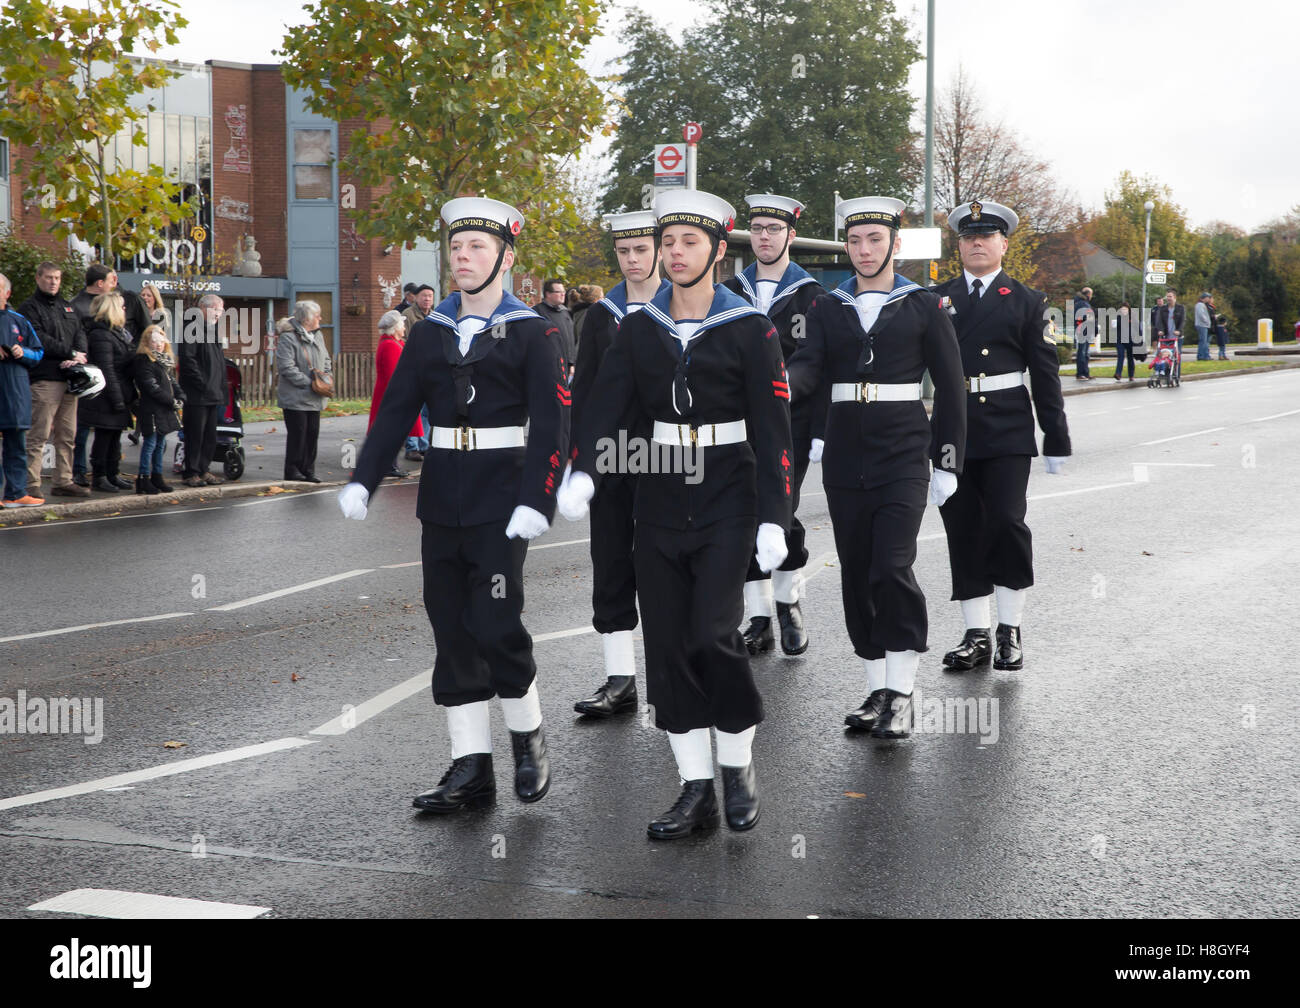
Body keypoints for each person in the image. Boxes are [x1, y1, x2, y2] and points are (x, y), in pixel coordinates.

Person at [559, 189, 793, 839]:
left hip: (728, 495)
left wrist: (776, 516)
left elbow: (775, 431)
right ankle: (695, 789)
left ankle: (738, 765)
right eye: (668, 242)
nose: (675, 253)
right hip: (658, 494)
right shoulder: (639, 327)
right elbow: (607, 406)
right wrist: (584, 470)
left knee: (712, 636)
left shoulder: (750, 328)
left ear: (719, 251)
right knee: (665, 647)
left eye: (689, 242)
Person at [338, 197, 568, 814]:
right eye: (457, 248)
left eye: (477, 249)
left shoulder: (532, 330)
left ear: (505, 259)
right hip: (442, 494)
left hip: (503, 498)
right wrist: (364, 477)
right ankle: (470, 767)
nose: (463, 259)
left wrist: (537, 500)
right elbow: (396, 407)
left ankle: (528, 737)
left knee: (495, 622)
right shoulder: (431, 331)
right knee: (449, 626)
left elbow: (552, 423)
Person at [786, 197, 965, 737]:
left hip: (903, 453)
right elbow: (808, 369)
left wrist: (947, 458)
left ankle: (903, 691)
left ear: (894, 244)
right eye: (856, 241)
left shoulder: (924, 306)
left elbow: (952, 386)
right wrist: (769, 388)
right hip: (845, 455)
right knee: (858, 574)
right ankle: (874, 689)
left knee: (891, 567)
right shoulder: (827, 307)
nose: (864, 250)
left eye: (875, 240)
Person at [932, 200, 1072, 674]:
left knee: (1007, 524)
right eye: (969, 237)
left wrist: (1056, 435)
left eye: (986, 236)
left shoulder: (1028, 300)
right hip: (953, 430)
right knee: (962, 528)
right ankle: (976, 634)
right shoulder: (939, 298)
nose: (976, 243)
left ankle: (1009, 629)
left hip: (1008, 428)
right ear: (960, 246)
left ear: (1003, 244)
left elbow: (1045, 374)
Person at [569, 211, 669, 718]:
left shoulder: (681, 305)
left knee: (663, 564)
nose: (632, 261)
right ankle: (619, 679)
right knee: (610, 562)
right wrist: (578, 462)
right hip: (612, 458)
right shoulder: (603, 314)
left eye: (640, 250)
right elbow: (583, 391)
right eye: (623, 252)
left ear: (658, 249)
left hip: (669, 458)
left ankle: (676, 674)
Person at [724, 193, 827, 657]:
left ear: (790, 234)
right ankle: (760, 616)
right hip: (735, 423)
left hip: (791, 421)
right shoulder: (729, 289)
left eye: (775, 229)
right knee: (743, 512)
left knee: (779, 509)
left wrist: (814, 419)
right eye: (758, 229)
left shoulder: (812, 294)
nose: (765, 237)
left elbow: (819, 364)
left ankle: (788, 603)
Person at [16, 261, 89, 499]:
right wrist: (69, 353)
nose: (53, 282)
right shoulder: (29, 307)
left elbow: (80, 332)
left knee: (68, 434)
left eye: (57, 278)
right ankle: (31, 483)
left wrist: (78, 356)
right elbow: (39, 338)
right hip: (45, 378)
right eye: (49, 277)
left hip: (69, 378)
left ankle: (63, 481)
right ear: (38, 278)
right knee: (39, 434)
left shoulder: (67, 307)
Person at [81, 292, 136, 494]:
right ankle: (100, 476)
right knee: (104, 435)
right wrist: (117, 398)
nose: (124, 310)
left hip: (119, 390)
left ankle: (113, 473)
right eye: (121, 306)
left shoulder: (117, 332)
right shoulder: (100, 334)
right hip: (107, 394)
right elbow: (107, 369)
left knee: (114, 436)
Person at [0, 273, 46, 508]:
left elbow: (38, 352)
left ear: (7, 293)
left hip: (15, 391)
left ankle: (16, 493)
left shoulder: (19, 320)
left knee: (16, 445)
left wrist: (22, 353)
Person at [70, 264, 118, 487]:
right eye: (110, 280)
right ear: (100, 284)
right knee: (80, 427)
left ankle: (104, 470)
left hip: (98, 372)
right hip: (85, 373)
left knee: (100, 428)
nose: (114, 285)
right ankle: (78, 470)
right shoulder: (77, 307)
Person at [276, 300, 332, 483]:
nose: (320, 318)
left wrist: (326, 377)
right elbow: (286, 367)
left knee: (312, 433)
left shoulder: (318, 336)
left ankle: (308, 470)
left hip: (315, 396)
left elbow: (326, 360)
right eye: (317, 315)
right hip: (295, 396)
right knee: (298, 434)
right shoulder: (288, 337)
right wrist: (309, 383)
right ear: (306, 319)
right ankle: (292, 470)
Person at [176, 293, 228, 487]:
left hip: (213, 393)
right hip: (198, 393)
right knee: (195, 435)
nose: (219, 314)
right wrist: (203, 384)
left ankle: (204, 469)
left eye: (221, 311)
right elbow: (188, 361)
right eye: (218, 310)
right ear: (205, 309)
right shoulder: (192, 327)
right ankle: (191, 472)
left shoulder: (212, 330)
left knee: (209, 436)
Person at [369, 309, 424, 479]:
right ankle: (389, 466)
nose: (404, 329)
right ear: (394, 327)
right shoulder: (390, 345)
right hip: (392, 397)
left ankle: (390, 465)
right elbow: (397, 375)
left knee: (393, 433)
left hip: (390, 394)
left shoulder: (393, 343)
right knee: (391, 433)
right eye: (401, 325)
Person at [130, 325, 182, 494]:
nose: (159, 344)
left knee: (161, 443)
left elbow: (171, 382)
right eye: (154, 341)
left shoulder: (163, 361)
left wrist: (181, 396)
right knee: (150, 443)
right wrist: (171, 401)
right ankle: (143, 478)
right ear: (147, 342)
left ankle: (157, 476)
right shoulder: (143, 360)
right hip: (151, 409)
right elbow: (151, 387)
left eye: (161, 340)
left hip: (163, 409)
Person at [535, 278, 576, 379]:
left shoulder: (565, 312)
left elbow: (571, 338)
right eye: (559, 292)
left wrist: (571, 362)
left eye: (564, 292)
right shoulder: (537, 312)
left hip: (566, 364)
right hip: (547, 365)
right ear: (548, 294)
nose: (563, 294)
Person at [1113, 302, 1139, 381]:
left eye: (1125, 309)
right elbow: (1114, 328)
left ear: (1128, 310)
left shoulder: (1132, 317)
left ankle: (1131, 375)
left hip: (1130, 340)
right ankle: (1118, 374)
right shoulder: (1118, 317)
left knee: (1130, 358)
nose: (1123, 311)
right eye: (1122, 309)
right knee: (1120, 356)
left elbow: (1138, 328)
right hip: (1120, 340)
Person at [1073, 286, 1094, 380]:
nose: (1092, 296)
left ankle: (1085, 373)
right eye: (1091, 294)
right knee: (1082, 352)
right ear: (1088, 294)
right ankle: (1081, 373)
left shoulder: (1083, 303)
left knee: (1085, 353)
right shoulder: (1082, 304)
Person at [1194, 292, 1213, 361]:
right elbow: (1201, 315)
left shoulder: (1202, 305)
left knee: (1204, 341)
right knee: (1203, 341)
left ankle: (1203, 355)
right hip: (1202, 325)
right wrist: (1207, 322)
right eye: (1207, 298)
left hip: (1203, 325)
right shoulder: (1200, 305)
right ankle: (1200, 356)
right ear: (1204, 298)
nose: (1208, 299)